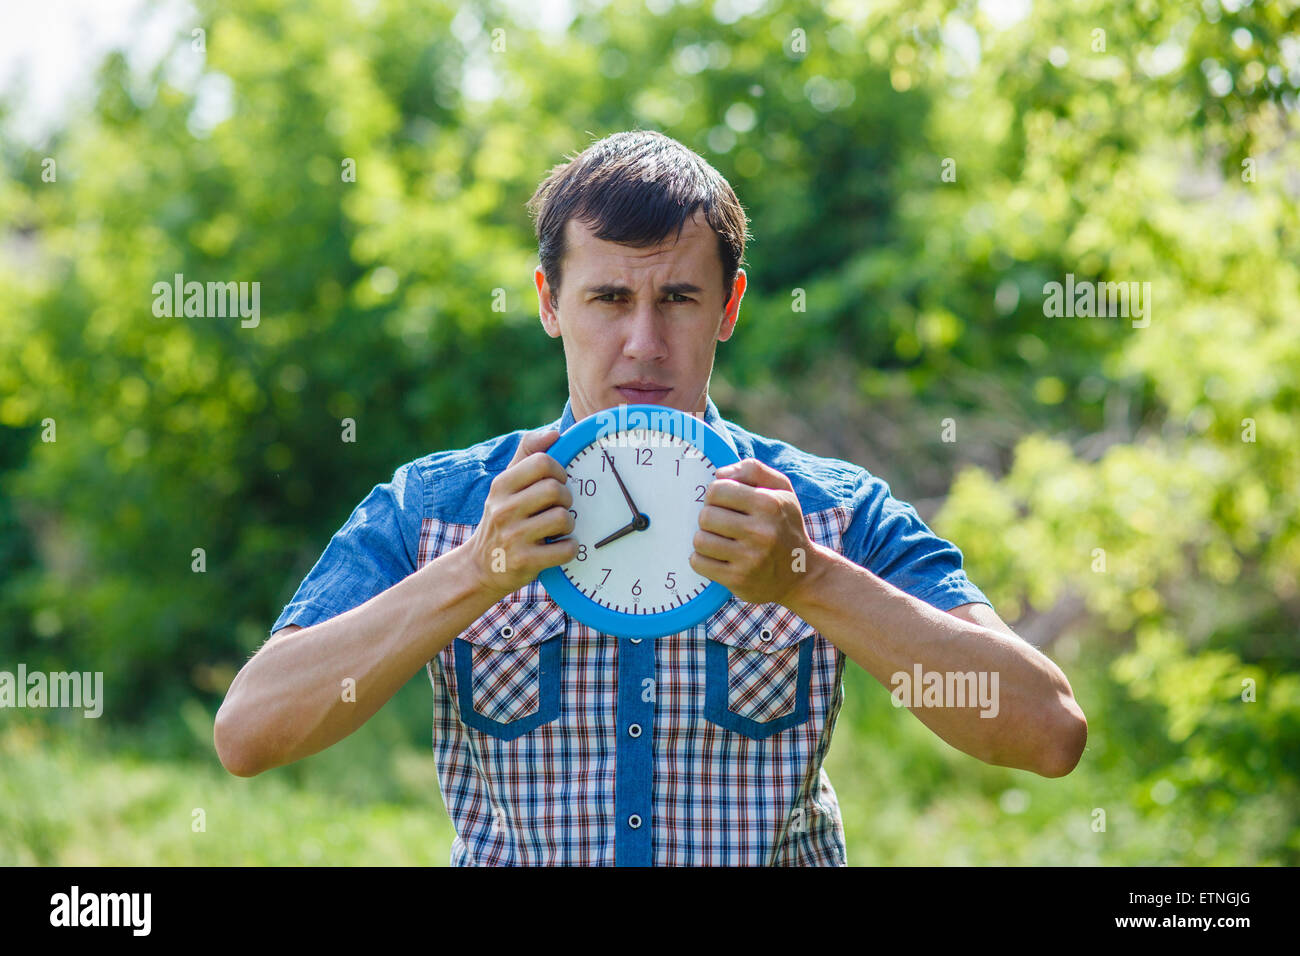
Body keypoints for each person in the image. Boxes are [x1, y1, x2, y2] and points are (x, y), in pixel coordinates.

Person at [214, 129, 1087, 866]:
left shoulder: (826, 511)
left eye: (677, 298)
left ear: (729, 306)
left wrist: (810, 578)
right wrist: (474, 573)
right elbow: (251, 734)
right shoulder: (438, 507)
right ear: (550, 302)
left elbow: (1046, 733)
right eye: (607, 298)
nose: (643, 342)